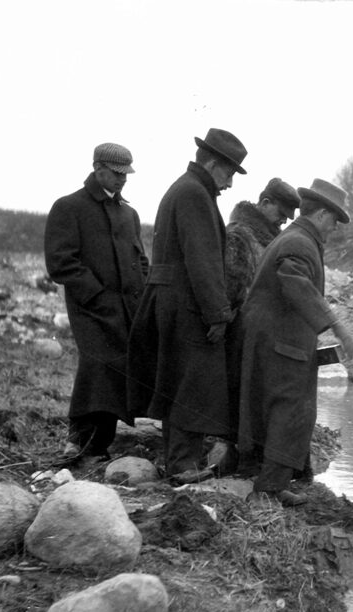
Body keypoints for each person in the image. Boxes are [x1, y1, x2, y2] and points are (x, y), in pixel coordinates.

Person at [126, 128, 247, 484]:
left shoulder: (184, 188)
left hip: (172, 299)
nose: (229, 183)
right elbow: (202, 260)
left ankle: (178, 461)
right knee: (192, 385)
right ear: (212, 164)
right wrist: (218, 314)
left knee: (178, 381)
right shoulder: (195, 194)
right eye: (229, 173)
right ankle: (182, 465)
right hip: (188, 303)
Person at [237, 178, 353, 506]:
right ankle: (267, 490)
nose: (335, 227)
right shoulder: (299, 243)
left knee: (276, 410)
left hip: (276, 340)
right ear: (321, 214)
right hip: (281, 343)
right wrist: (337, 325)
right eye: (335, 220)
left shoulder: (295, 237)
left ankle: (271, 483)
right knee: (290, 411)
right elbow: (297, 284)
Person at [44, 142, 150, 466]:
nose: (122, 179)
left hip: (128, 308)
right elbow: (61, 263)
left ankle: (99, 446)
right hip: (90, 308)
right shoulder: (69, 207)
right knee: (98, 367)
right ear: (97, 168)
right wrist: (97, 295)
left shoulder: (129, 214)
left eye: (126, 174)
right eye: (116, 173)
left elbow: (140, 260)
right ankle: (78, 442)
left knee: (117, 370)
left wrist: (144, 296)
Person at [215, 178, 302, 475]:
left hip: (260, 330)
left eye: (288, 218)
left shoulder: (267, 237)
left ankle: (250, 457)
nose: (283, 222)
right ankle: (241, 459)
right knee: (241, 396)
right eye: (280, 213)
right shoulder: (239, 235)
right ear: (265, 203)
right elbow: (231, 285)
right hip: (241, 329)